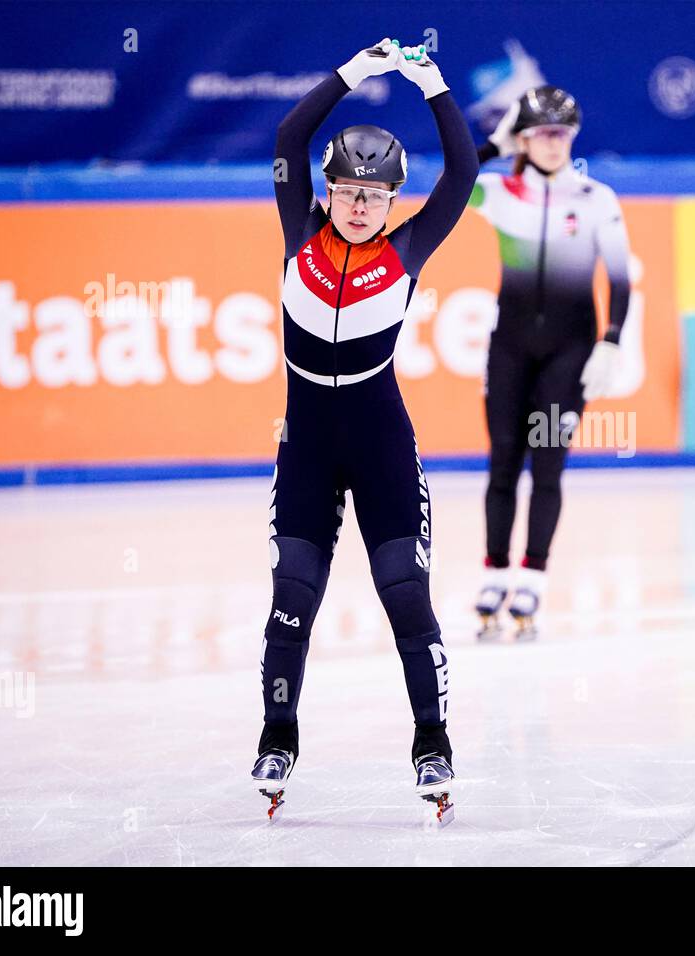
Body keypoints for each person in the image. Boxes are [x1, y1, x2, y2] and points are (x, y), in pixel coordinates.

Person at [250, 38, 476, 827]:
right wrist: (352, 72)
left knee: (404, 594)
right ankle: (278, 734)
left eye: (373, 197)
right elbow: (286, 139)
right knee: (292, 597)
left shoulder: (410, 248)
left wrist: (434, 85)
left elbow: (466, 173)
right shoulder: (296, 231)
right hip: (308, 442)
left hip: (380, 440)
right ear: (327, 191)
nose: (357, 206)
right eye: (346, 191)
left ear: (391, 204)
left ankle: (432, 742)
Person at [465, 86, 633, 638]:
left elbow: (619, 276)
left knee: (548, 462)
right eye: (542, 134)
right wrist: (492, 144)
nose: (554, 144)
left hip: (569, 349)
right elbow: (444, 180)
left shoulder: (594, 197)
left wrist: (609, 341)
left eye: (562, 134)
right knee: (504, 463)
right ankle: (494, 570)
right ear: (525, 138)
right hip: (510, 348)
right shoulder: (498, 191)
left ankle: (533, 574)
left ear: (574, 139)